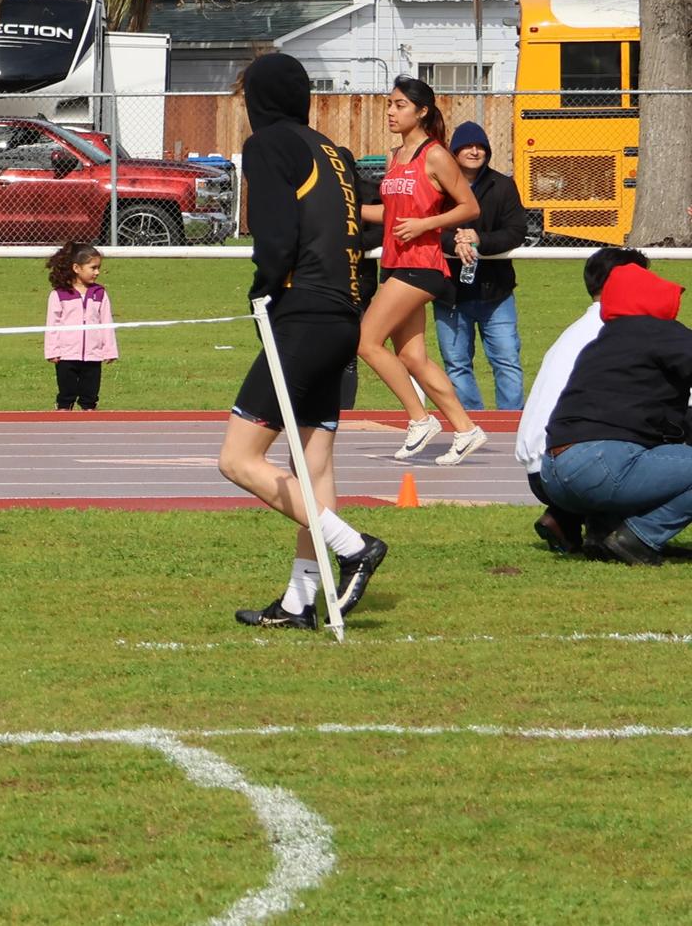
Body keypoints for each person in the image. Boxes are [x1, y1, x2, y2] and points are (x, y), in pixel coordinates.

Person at [216, 53, 389, 631]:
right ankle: (300, 600)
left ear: (259, 99)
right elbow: (358, 232)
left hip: (303, 315)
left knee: (238, 459)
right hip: (344, 315)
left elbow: (276, 233)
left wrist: (262, 288)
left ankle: (353, 546)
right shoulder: (334, 153)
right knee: (314, 466)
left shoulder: (267, 146)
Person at [357, 75, 484, 464]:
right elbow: (391, 213)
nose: (391, 112)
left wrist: (426, 225)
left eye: (399, 105)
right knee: (412, 358)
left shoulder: (436, 155)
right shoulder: (395, 157)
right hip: (396, 263)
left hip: (421, 266)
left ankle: (419, 419)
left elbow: (469, 207)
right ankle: (466, 429)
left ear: (422, 111)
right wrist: (344, 208)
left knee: (364, 342)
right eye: (389, 105)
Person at [541, 261, 692, 565]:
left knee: (647, 449)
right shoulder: (657, 331)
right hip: (602, 464)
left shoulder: (603, 342)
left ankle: (601, 535)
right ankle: (640, 537)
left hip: (553, 474)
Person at [516, 246, 650, 556]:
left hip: (541, 469)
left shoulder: (577, 330)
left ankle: (567, 517)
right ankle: (632, 533)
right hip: (571, 465)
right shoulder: (619, 333)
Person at [432, 121, 528, 427]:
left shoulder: (503, 185)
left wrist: (479, 241)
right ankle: (473, 423)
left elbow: (516, 231)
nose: (475, 152)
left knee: (507, 361)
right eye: (467, 147)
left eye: (480, 147)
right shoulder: (438, 186)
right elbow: (430, 228)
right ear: (454, 152)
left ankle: (512, 423)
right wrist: (456, 241)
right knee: (457, 364)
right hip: (451, 293)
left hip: (496, 291)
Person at [43, 241, 116, 412]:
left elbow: (106, 322)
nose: (97, 272)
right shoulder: (59, 294)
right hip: (67, 355)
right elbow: (52, 324)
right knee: (66, 396)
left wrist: (109, 350)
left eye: (98, 268)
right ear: (77, 268)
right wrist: (52, 350)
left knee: (89, 399)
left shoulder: (100, 293)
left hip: (93, 355)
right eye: (93, 267)